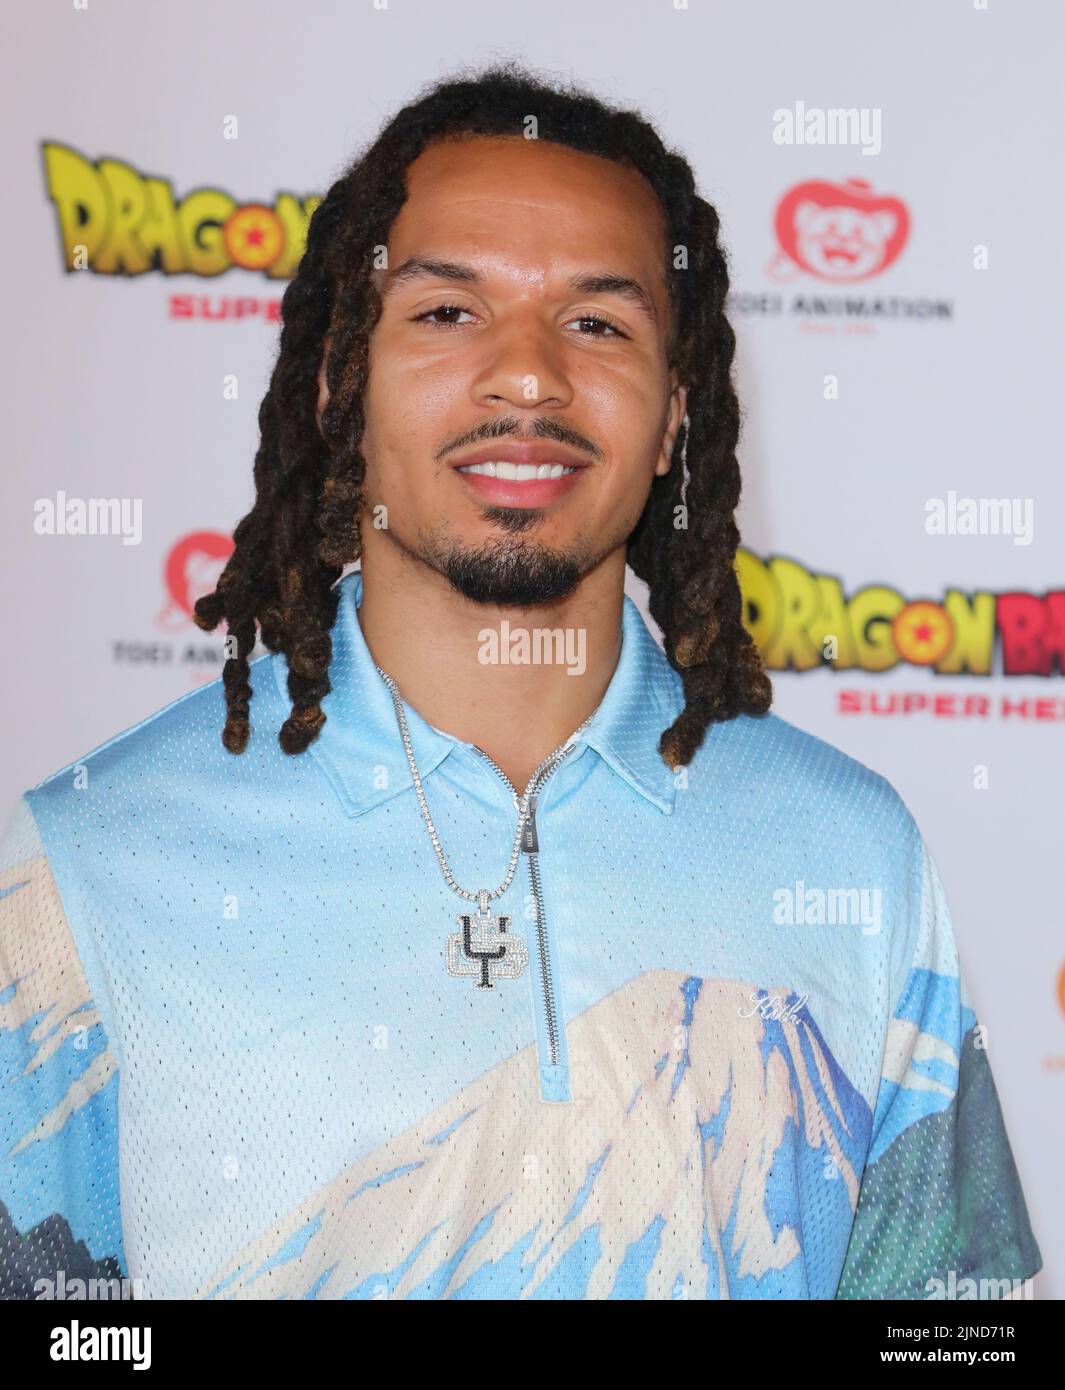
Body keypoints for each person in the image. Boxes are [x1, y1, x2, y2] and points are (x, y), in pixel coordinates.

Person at [0, 63, 1041, 1301]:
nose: (530, 379)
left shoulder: (849, 853)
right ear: (341, 382)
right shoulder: (89, 861)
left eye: (598, 322)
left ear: (671, 421)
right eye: (447, 313)